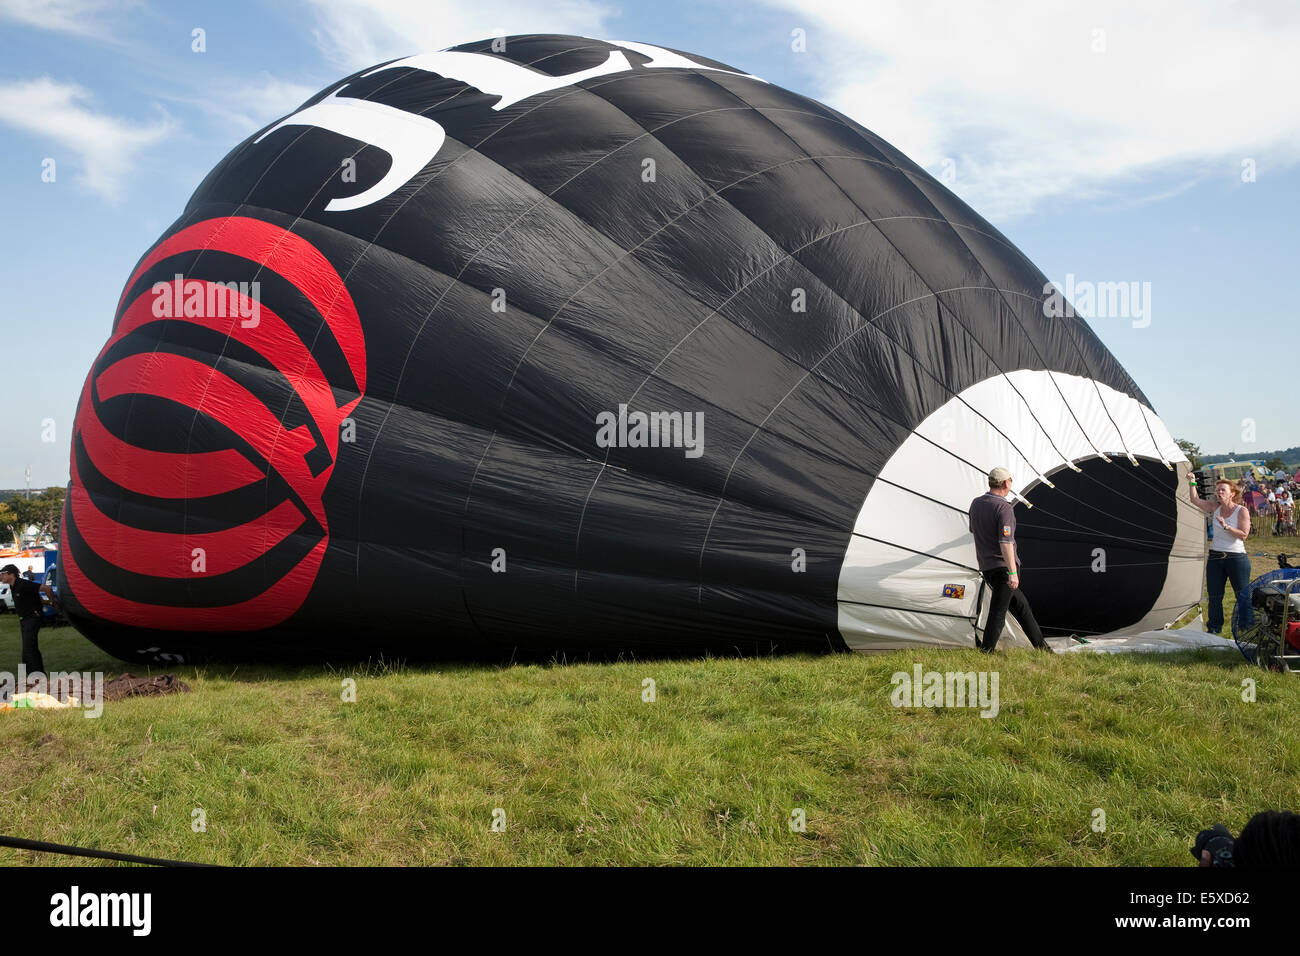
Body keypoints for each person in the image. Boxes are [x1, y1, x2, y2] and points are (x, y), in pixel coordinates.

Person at [968, 467, 1051, 652]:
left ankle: (1042, 648)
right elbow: (1005, 542)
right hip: (1003, 567)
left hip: (987, 566)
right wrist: (1012, 572)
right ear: (1006, 483)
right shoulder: (1003, 507)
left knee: (1021, 606)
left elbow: (974, 531)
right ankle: (986, 652)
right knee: (998, 611)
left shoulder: (976, 504)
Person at [1189, 478, 1253, 634]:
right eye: (1217, 490)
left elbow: (1244, 535)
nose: (1219, 492)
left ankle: (1247, 627)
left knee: (1242, 595)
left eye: (1223, 489)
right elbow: (1195, 500)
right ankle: (1214, 628)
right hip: (1215, 558)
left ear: (1232, 493)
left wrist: (1226, 526)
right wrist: (1192, 482)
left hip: (1236, 558)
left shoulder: (1241, 510)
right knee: (1215, 596)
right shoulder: (1215, 507)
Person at [1, 563, 55, 675]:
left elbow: (47, 588)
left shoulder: (23, 584)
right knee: (29, 648)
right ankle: (34, 674)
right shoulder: (13, 586)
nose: (1, 577)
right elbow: (34, 597)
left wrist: (52, 602)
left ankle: (35, 675)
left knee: (28, 648)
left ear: (11, 574)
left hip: (32, 618)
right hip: (24, 620)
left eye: (3, 574)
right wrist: (44, 602)